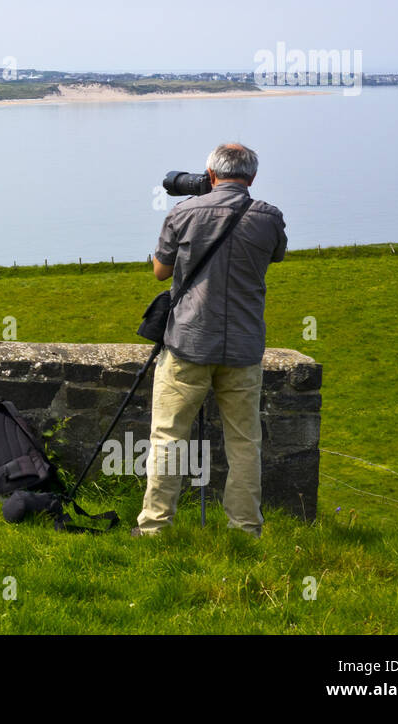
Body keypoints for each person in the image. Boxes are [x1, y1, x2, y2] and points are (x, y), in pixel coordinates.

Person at [132, 143, 287, 537]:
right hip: (244, 345)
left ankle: (155, 527)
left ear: (210, 174)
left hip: (188, 340)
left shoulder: (183, 212)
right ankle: (246, 527)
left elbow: (160, 272)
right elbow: (274, 256)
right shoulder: (269, 218)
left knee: (168, 436)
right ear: (252, 178)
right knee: (244, 442)